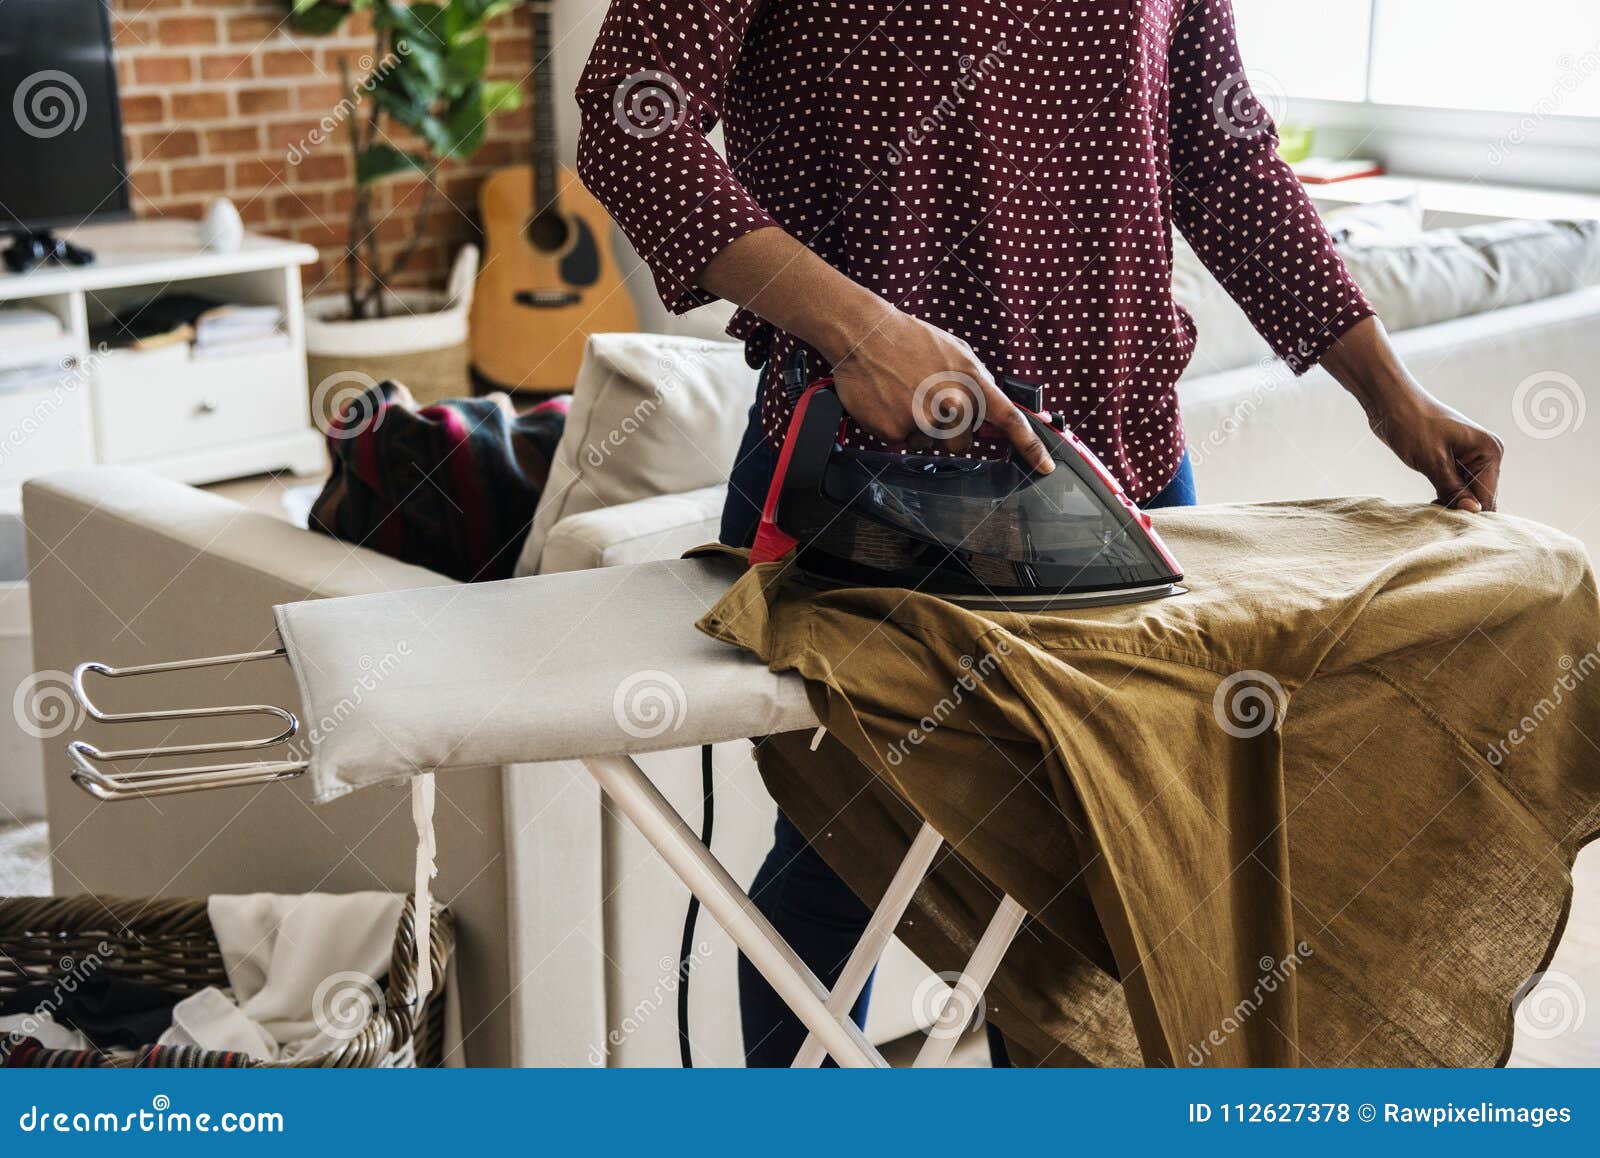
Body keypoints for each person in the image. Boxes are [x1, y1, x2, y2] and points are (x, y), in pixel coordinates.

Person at [574, 0, 1504, 1066]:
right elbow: (631, 121)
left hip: (1123, 475)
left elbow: (1226, 156)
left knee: (1114, 876)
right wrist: (863, 330)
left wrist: (1389, 395)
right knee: (844, 861)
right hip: (868, 481)